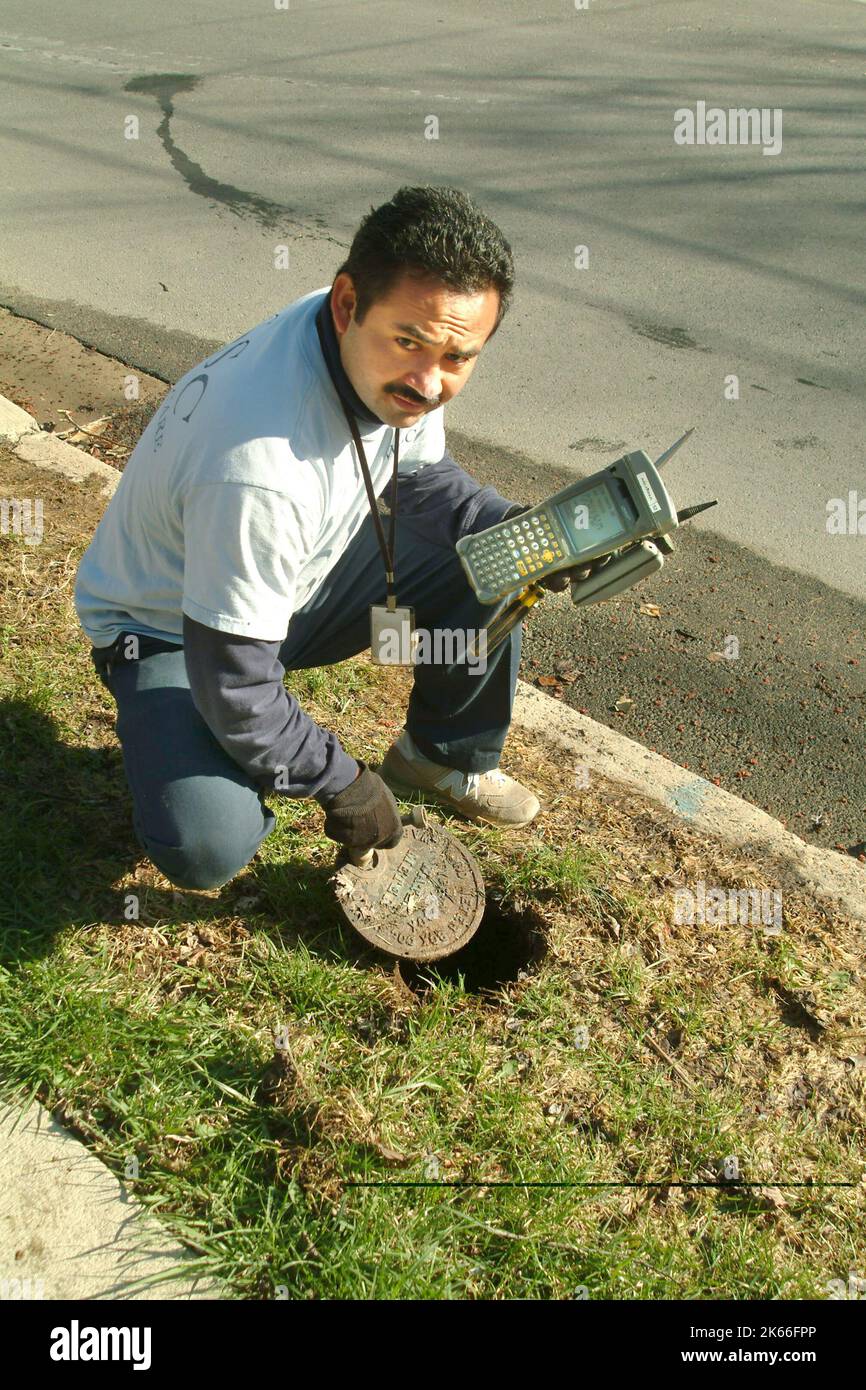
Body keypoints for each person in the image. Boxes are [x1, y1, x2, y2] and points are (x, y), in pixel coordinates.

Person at [73, 185, 583, 892]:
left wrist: (515, 530)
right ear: (348, 305)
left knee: (497, 559)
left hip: (287, 584)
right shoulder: (258, 470)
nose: (430, 381)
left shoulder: (379, 340)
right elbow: (234, 680)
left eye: (459, 357)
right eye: (410, 343)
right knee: (206, 841)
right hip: (169, 631)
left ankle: (440, 754)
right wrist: (342, 783)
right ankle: (196, 750)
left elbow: (420, 483)